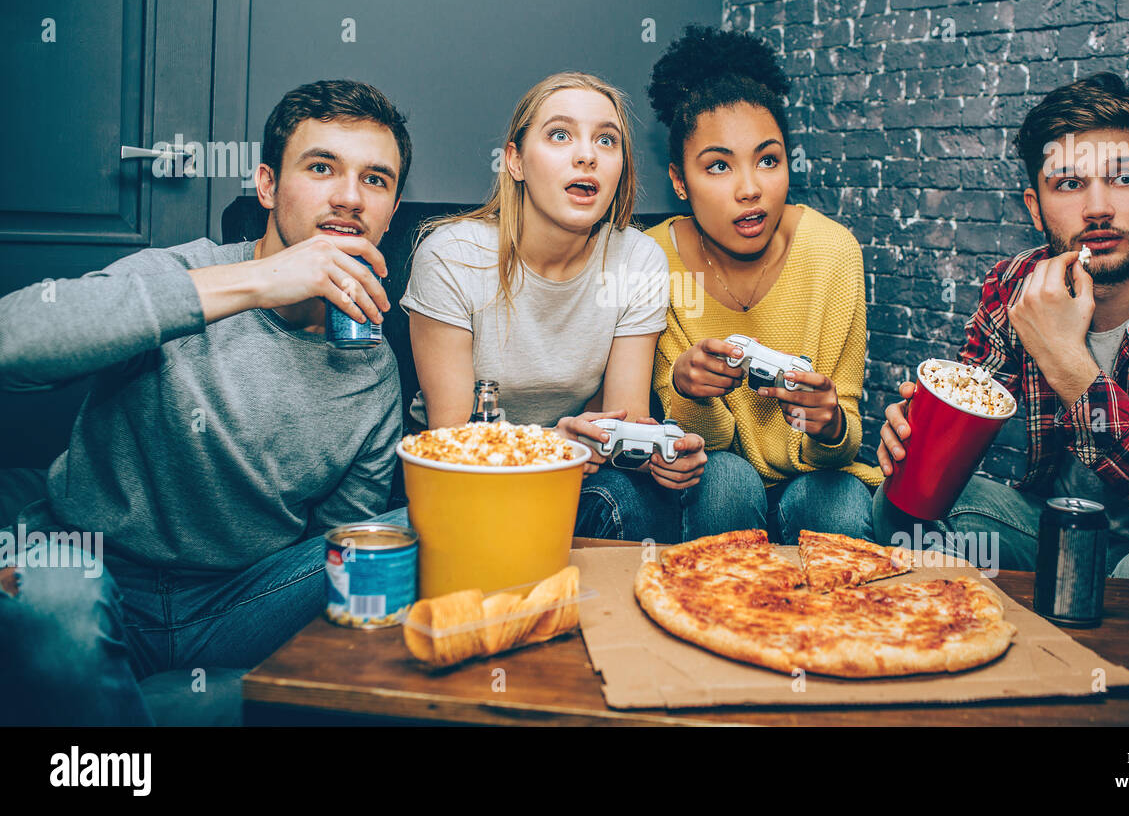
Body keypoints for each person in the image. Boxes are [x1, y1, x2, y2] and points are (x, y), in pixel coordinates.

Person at [0, 79, 412, 724]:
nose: (349, 197)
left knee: (411, 536)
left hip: (238, 601)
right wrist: (256, 282)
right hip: (95, 564)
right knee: (50, 600)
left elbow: (336, 542)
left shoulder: (372, 370)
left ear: (390, 212)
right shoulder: (182, 274)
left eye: (376, 179)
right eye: (322, 167)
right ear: (268, 186)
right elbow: (13, 341)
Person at [873, 72, 1129, 586]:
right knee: (902, 504)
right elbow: (967, 400)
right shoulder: (1014, 287)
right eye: (1070, 184)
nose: (1097, 207)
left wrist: (1069, 366)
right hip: (1058, 531)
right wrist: (917, 436)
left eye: (1123, 178)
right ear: (1035, 208)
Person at [402, 72, 705, 543]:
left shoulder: (637, 258)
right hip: (464, 480)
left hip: (577, 475)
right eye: (560, 135)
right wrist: (551, 445)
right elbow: (456, 442)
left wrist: (658, 451)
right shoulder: (451, 255)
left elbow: (620, 421)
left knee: (633, 496)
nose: (587, 155)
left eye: (607, 140)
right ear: (515, 162)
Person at [643, 25, 882, 544]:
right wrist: (686, 390)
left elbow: (844, 444)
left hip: (813, 478)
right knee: (725, 480)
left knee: (838, 501)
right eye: (718, 166)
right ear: (680, 181)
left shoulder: (833, 252)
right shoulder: (651, 259)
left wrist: (830, 424)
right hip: (713, 474)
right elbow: (695, 443)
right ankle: (717, 620)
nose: (750, 189)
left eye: (768, 160)